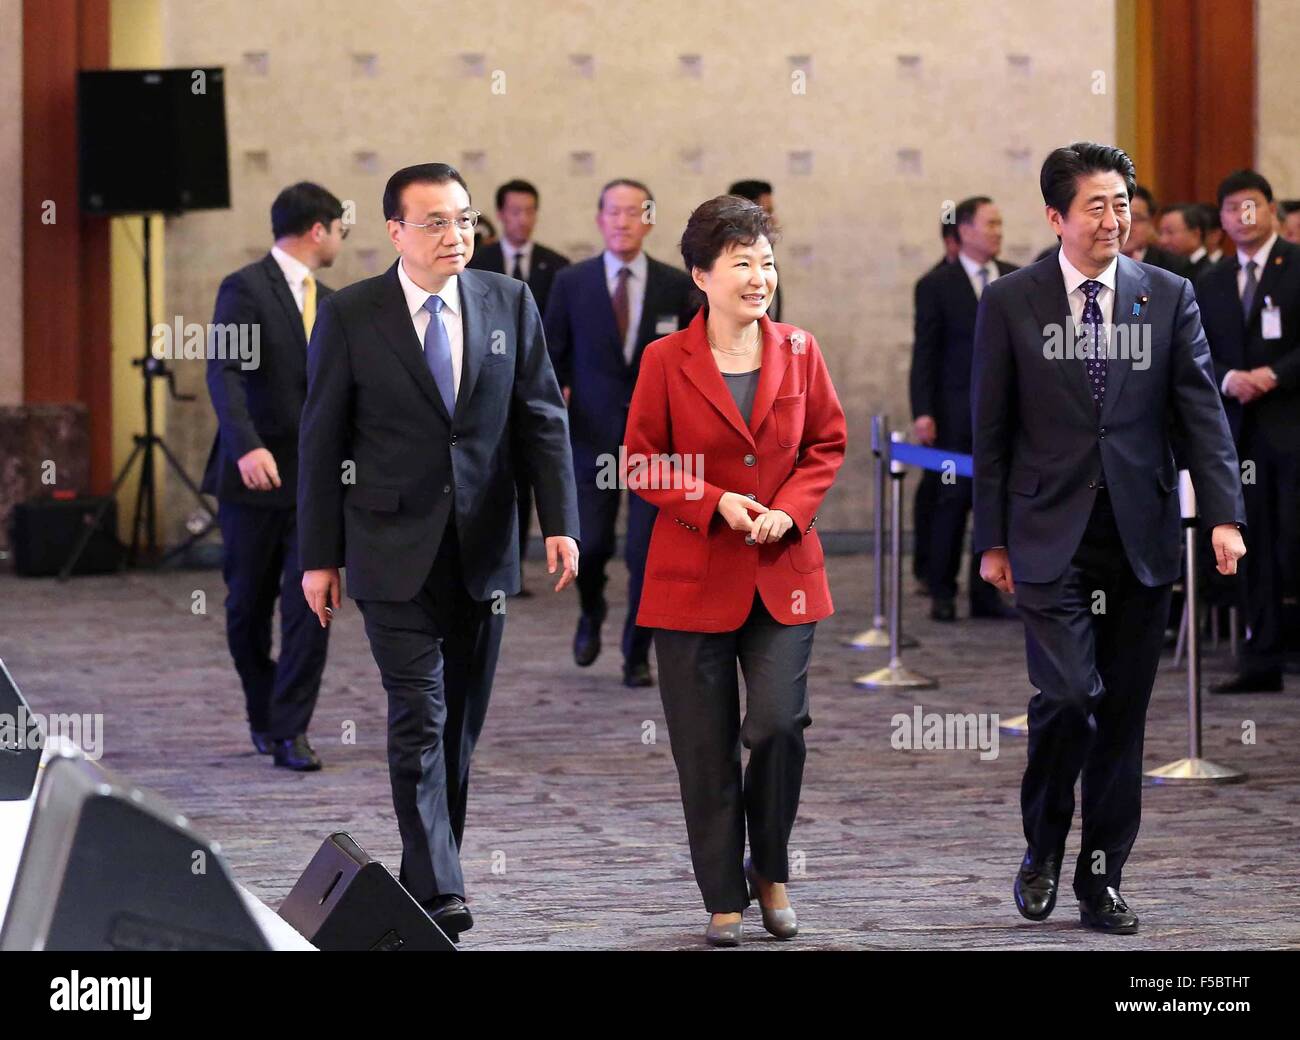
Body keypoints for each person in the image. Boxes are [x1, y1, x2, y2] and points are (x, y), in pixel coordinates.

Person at [297, 163, 580, 941]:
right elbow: (321, 444)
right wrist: (317, 557)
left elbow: (540, 421)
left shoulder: (509, 301)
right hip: (389, 552)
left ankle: (429, 869)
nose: (456, 235)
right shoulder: (353, 315)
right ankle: (444, 887)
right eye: (435, 223)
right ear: (394, 231)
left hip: (484, 548)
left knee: (459, 729)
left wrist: (561, 521)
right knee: (418, 717)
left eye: (463, 220)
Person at [972, 142, 1246, 935]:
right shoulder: (1012, 301)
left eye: (1123, 203)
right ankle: (1043, 848)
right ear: (1055, 216)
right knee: (1066, 698)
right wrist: (990, 539)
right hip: (1047, 535)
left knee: (1121, 716)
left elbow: (1202, 413)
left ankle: (1102, 880)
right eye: (1096, 204)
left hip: (1140, 534)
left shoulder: (1167, 295)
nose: (1113, 219)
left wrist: (1224, 515)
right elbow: (989, 431)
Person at [624, 195, 846, 946]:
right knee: (702, 745)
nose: (759, 277)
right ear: (701, 275)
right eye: (742, 263)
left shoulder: (802, 350)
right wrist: (713, 501)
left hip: (784, 570)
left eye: (767, 263)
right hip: (691, 576)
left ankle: (770, 868)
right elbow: (641, 462)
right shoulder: (665, 360)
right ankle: (723, 892)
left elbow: (826, 445)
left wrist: (791, 507)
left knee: (779, 726)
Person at [201, 181, 347, 771]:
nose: (340, 239)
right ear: (319, 229)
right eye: (340, 229)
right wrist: (247, 446)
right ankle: (263, 710)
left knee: (313, 605)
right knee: (245, 610)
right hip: (253, 481)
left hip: (316, 487)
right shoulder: (244, 288)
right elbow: (223, 372)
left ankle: (292, 730)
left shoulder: (336, 303)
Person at [545, 179, 695, 687]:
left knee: (647, 553)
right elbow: (550, 357)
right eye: (614, 212)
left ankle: (637, 651)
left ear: (649, 220)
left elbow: (693, 363)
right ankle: (591, 612)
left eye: (634, 213)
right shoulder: (572, 283)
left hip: (658, 445)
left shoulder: (677, 286)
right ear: (600, 219)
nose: (623, 221)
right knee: (588, 543)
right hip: (591, 436)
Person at [1196, 170, 1300, 694]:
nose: (1243, 217)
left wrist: (1276, 374)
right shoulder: (1210, 281)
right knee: (1250, 541)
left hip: (1292, 425)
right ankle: (1261, 658)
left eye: (1252, 206)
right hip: (1238, 433)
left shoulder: (1297, 264)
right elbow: (1193, 350)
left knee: (1294, 539)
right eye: (1232, 208)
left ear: (1271, 209)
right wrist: (1228, 377)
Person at [910, 195, 1018, 621]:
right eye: (989, 224)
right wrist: (923, 410)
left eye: (999, 224)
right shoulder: (937, 284)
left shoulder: (1014, 278)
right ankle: (941, 589)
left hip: (1007, 416)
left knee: (996, 505)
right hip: (955, 415)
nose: (997, 231)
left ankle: (985, 594)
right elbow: (926, 353)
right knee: (950, 503)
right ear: (965, 231)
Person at [467, 179, 571, 596]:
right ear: (500, 213)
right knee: (493, 476)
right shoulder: (478, 259)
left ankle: (516, 565)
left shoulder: (556, 265)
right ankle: (491, 560)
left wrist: (560, 382)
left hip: (535, 386)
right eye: (514, 211)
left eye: (529, 211)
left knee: (529, 473)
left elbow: (561, 333)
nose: (522, 219)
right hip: (486, 388)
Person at [728, 180, 783, 321]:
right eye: (767, 212)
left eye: (766, 265)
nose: (774, 220)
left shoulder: (769, 260)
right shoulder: (719, 265)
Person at [1122, 185, 1191, 276]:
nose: (1127, 226)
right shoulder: (1099, 264)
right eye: (1120, 216)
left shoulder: (1174, 266)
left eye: (1135, 218)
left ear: (1151, 222)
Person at [1156, 203, 1213, 280]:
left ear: (1195, 234)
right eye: (1160, 233)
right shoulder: (1169, 267)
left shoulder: (1209, 273)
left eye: (1170, 232)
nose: (1162, 240)